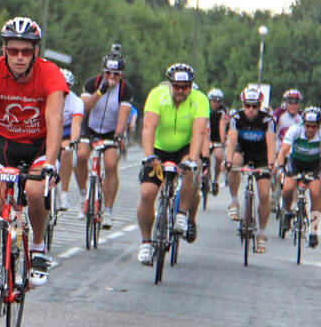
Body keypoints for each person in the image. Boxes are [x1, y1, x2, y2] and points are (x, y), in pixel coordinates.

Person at [0, 17, 65, 313]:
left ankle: (37, 246)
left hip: (39, 146)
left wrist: (49, 164)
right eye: (14, 50)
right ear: (4, 49)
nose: (20, 57)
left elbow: (54, 119)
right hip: (6, 145)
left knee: (36, 193)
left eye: (26, 50)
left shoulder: (50, 74)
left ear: (36, 51)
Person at [135, 63, 207, 265]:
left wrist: (192, 159)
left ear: (191, 85)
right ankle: (146, 242)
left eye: (185, 86)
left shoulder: (200, 100)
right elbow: (148, 126)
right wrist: (149, 156)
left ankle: (182, 214)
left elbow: (199, 132)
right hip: (159, 148)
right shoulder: (157, 95)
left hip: (184, 148)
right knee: (147, 194)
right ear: (170, 85)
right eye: (177, 86)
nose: (181, 91)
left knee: (192, 169)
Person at [78, 50, 134, 229]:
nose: (111, 77)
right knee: (80, 156)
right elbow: (84, 107)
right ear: (103, 71)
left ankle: (108, 211)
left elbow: (123, 117)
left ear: (121, 75)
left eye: (116, 74)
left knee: (111, 164)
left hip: (110, 131)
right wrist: (100, 91)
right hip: (90, 127)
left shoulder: (126, 89)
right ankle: (82, 195)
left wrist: (118, 136)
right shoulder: (91, 83)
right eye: (108, 73)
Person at [224, 86, 277, 251]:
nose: (251, 110)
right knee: (234, 162)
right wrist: (227, 161)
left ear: (260, 106)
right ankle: (234, 201)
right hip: (244, 151)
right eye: (247, 105)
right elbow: (231, 142)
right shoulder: (236, 118)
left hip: (261, 155)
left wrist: (271, 164)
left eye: (255, 106)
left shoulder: (267, 120)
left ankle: (262, 232)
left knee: (264, 195)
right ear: (243, 104)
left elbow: (270, 144)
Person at [277, 106, 321, 247]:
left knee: (316, 193)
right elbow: (283, 151)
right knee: (287, 189)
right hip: (296, 162)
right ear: (303, 123)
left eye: (314, 126)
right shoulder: (295, 130)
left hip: (314, 164)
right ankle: (287, 211)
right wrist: (281, 167)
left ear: (318, 126)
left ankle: (314, 231)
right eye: (308, 126)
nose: (310, 130)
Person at [56, 69, 83, 211]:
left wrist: (74, 141)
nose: (64, 88)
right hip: (50, 130)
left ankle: (64, 194)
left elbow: (76, 125)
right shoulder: (48, 96)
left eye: (67, 85)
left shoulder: (76, 102)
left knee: (66, 152)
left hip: (66, 132)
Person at [205, 88, 229, 195]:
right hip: (206, 135)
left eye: (218, 102)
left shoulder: (222, 110)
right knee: (202, 158)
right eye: (213, 101)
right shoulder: (204, 107)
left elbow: (222, 125)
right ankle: (203, 176)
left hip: (217, 137)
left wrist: (222, 140)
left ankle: (215, 180)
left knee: (219, 156)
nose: (215, 104)